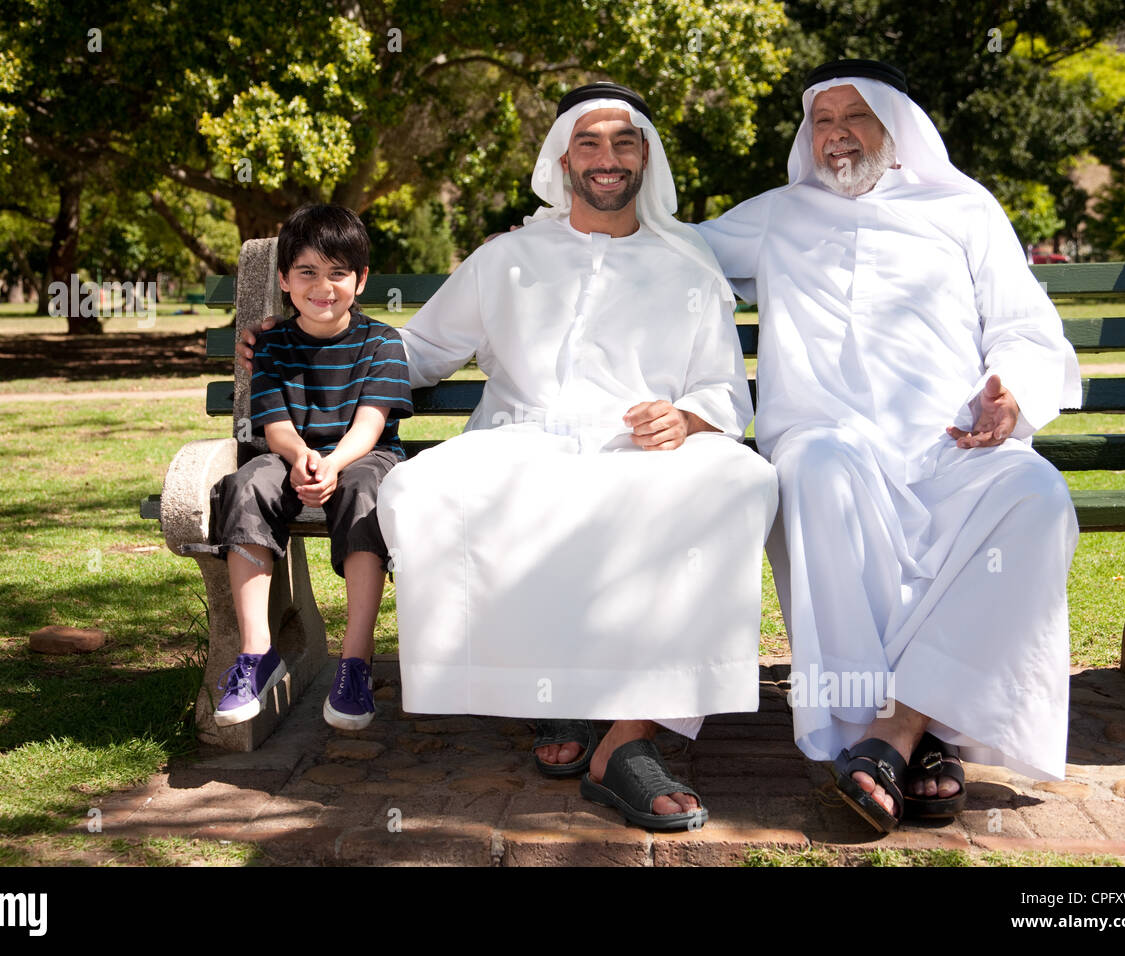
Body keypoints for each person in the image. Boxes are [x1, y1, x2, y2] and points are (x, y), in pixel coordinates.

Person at [242, 82, 779, 831]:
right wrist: (306, 332)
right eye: (588, 143)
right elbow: (416, 350)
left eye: (624, 143)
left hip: (642, 448)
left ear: (646, 159)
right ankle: (550, 697)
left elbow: (722, 388)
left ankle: (630, 736)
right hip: (522, 435)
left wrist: (685, 417)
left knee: (739, 486)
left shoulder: (687, 265)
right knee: (429, 494)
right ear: (562, 159)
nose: (606, 158)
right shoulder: (511, 257)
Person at [692, 60, 1081, 831]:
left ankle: (890, 734)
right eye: (822, 122)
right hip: (832, 444)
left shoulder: (966, 210)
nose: (836, 137)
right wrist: (555, 240)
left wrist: (1013, 391)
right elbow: (668, 253)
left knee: (1037, 496)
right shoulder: (777, 214)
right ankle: (924, 733)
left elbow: (1026, 329)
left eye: (854, 118)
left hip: (951, 448)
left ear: (896, 131)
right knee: (814, 470)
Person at [197, 204, 412, 732]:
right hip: (290, 457)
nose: (324, 286)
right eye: (308, 272)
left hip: (364, 458)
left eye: (338, 273)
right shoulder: (271, 344)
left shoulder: (382, 343)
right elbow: (276, 428)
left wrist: (333, 462)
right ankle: (256, 656)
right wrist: (300, 459)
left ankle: (355, 662)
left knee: (366, 493)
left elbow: (370, 424)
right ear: (285, 280)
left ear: (360, 280)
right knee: (246, 484)